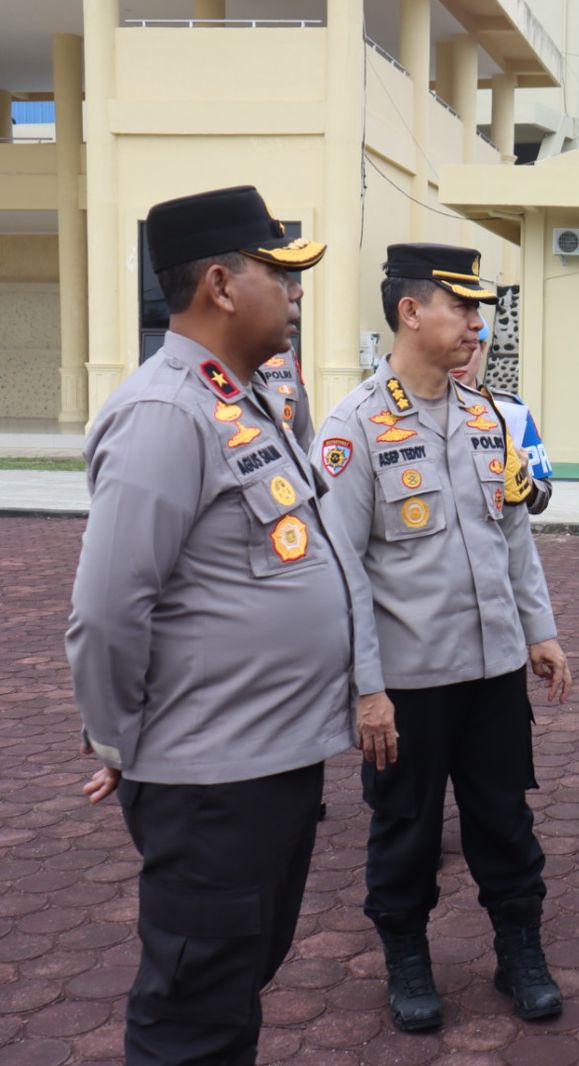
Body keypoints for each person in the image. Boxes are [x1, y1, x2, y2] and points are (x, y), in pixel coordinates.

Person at [66, 185, 354, 1064]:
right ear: (221, 286)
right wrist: (120, 744)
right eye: (279, 274)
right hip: (211, 782)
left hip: (270, 764)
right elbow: (108, 611)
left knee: (234, 982)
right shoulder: (165, 412)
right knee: (193, 1013)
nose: (296, 293)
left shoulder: (243, 398)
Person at [315, 243, 574, 1034]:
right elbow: (339, 573)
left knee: (505, 822)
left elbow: (514, 538)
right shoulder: (354, 427)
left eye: (478, 311)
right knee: (406, 830)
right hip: (408, 685)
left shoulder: (489, 417)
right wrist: (366, 690)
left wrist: (540, 631)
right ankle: (407, 958)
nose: (475, 326)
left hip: (493, 673)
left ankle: (519, 951)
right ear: (410, 311)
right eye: (461, 308)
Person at [451, 325, 555, 515]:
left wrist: (523, 478)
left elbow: (542, 497)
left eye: (468, 347)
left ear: (482, 347)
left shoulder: (510, 409)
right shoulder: (411, 411)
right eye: (450, 349)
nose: (459, 360)